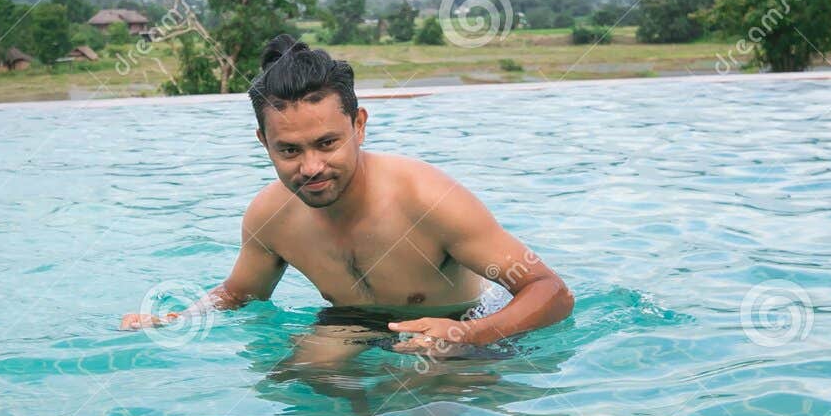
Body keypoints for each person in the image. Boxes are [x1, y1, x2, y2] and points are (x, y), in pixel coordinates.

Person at [119, 34, 573, 356]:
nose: (311, 167)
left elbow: (549, 290)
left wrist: (471, 334)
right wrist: (183, 317)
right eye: (289, 151)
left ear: (359, 125)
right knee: (297, 378)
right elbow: (240, 294)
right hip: (349, 323)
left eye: (327, 143)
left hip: (462, 321)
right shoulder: (269, 217)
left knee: (423, 396)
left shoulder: (427, 200)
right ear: (264, 143)